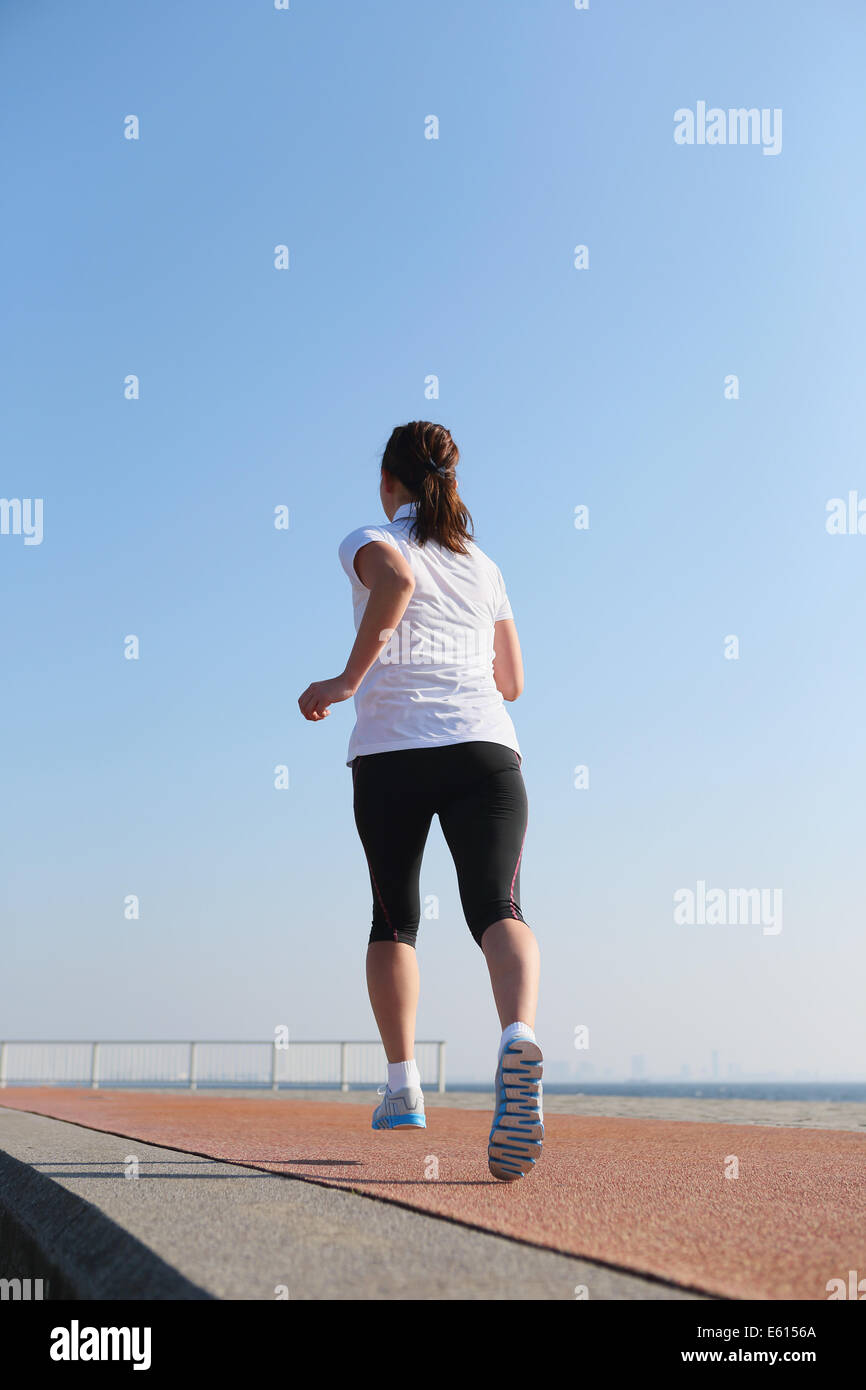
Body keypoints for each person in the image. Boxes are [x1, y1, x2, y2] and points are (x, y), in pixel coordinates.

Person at [298, 421, 542, 1181]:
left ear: (388, 484)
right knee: (499, 909)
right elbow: (512, 682)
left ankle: (403, 1087)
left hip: (393, 754)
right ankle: (515, 1037)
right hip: (485, 750)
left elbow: (397, 582)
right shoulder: (485, 564)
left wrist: (345, 681)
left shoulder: (368, 538)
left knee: (394, 915)